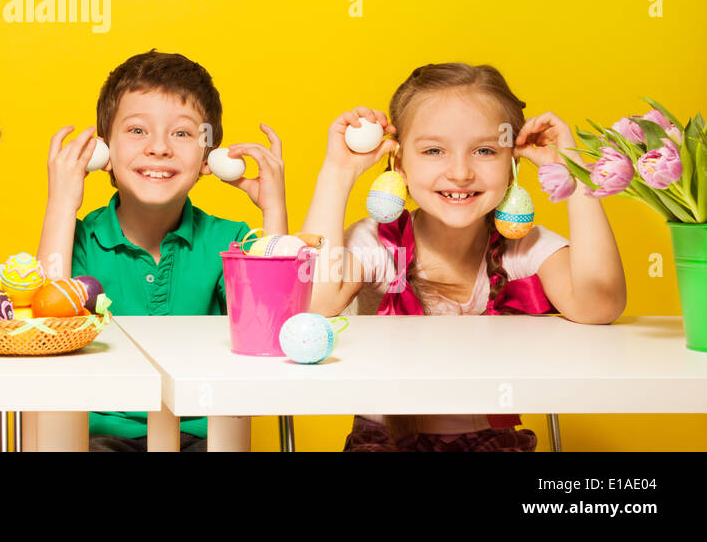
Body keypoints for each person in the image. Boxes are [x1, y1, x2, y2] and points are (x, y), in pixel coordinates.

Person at [302, 62, 626, 451]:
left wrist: (571, 172)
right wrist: (338, 172)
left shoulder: (521, 248)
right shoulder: (377, 243)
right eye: (434, 150)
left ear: (513, 163)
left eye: (485, 150)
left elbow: (600, 304)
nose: (460, 172)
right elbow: (311, 302)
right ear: (400, 163)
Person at [37, 49, 286, 450]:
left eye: (183, 133)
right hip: (102, 436)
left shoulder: (232, 242)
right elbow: (44, 328)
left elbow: (272, 330)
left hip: (205, 435)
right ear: (104, 154)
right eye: (137, 131)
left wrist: (274, 208)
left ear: (209, 158)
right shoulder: (78, 240)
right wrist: (62, 204)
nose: (159, 148)